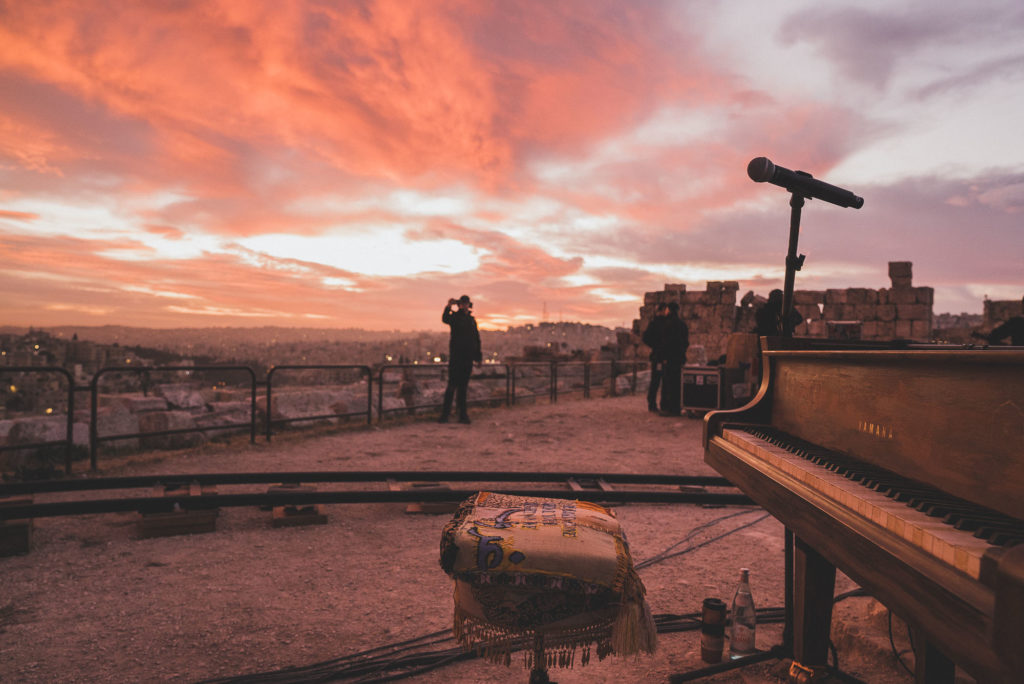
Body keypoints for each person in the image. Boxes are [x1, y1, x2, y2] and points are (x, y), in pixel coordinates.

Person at [440, 295, 482, 424]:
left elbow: (476, 339)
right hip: (456, 358)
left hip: (467, 359)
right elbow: (445, 319)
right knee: (452, 386)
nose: (464, 305)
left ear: (469, 305)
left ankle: (462, 415)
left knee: (463, 388)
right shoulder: (455, 317)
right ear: (459, 305)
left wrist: (478, 357)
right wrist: (448, 306)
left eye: (466, 303)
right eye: (462, 303)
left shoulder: (471, 320)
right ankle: (445, 415)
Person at [658, 301, 689, 417]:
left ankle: (669, 408)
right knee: (677, 384)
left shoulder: (668, 324)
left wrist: (664, 357)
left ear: (669, 310)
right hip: (679, 358)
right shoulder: (682, 325)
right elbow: (686, 342)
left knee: (668, 384)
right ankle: (676, 407)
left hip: (670, 359)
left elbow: (665, 343)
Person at [642, 303, 669, 412]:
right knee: (658, 381)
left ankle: (652, 403)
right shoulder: (659, 323)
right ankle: (654, 404)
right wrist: (657, 345)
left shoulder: (654, 323)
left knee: (656, 381)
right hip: (659, 356)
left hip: (657, 355)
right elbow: (646, 338)